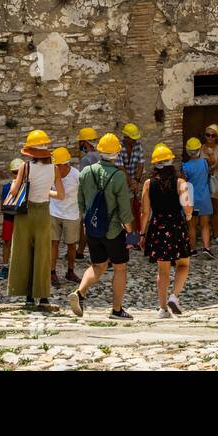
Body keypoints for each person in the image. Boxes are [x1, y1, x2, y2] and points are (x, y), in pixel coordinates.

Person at [69, 133, 135, 319]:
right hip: (113, 230)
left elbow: (80, 202)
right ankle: (116, 309)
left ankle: (80, 292)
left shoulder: (85, 173)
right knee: (120, 268)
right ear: (117, 154)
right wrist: (131, 234)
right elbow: (124, 210)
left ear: (99, 151)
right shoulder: (118, 176)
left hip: (91, 227)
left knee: (98, 265)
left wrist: (85, 222)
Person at [5, 130, 61, 309]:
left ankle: (28, 296)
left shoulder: (25, 167)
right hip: (43, 212)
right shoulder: (55, 169)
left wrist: (15, 182)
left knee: (23, 253)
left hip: (26, 213)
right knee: (43, 254)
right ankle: (43, 296)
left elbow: (14, 192)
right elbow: (60, 194)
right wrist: (45, 192)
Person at [140, 144, 193, 318]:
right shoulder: (181, 183)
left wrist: (141, 233)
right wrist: (190, 215)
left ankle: (162, 309)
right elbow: (187, 208)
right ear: (171, 162)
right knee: (183, 264)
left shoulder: (148, 184)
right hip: (176, 226)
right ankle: (174, 296)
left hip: (158, 227)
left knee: (162, 271)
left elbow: (145, 212)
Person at [49, 146, 82, 287]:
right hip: (54, 213)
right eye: (54, 165)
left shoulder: (76, 175)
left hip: (72, 214)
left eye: (57, 165)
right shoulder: (51, 173)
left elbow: (83, 193)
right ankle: (52, 272)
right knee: (53, 243)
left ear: (66, 164)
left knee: (71, 245)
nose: (55, 168)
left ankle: (70, 271)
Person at [180, 137, 213, 257]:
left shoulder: (185, 166)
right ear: (199, 149)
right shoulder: (204, 162)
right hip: (204, 198)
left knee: (192, 226)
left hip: (191, 199)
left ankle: (192, 249)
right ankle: (206, 248)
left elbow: (184, 183)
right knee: (205, 225)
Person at [75, 127, 100, 260]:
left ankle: (81, 252)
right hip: (102, 196)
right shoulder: (101, 156)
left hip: (90, 197)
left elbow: (82, 180)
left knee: (86, 225)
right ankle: (80, 251)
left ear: (85, 143)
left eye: (80, 142)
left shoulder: (86, 160)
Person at [0, 158, 24, 279]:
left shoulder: (26, 187)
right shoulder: (8, 187)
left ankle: (13, 267)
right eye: (15, 172)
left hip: (14, 218)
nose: (17, 174)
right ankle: (6, 266)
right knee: (8, 242)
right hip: (13, 219)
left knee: (15, 244)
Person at [116, 123, 145, 234]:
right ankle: (130, 238)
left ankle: (133, 238)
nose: (134, 141)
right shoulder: (118, 147)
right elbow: (121, 168)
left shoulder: (138, 146)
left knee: (131, 211)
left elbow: (141, 165)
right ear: (126, 137)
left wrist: (136, 181)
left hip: (133, 183)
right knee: (126, 212)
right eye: (132, 139)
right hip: (121, 183)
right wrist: (132, 183)